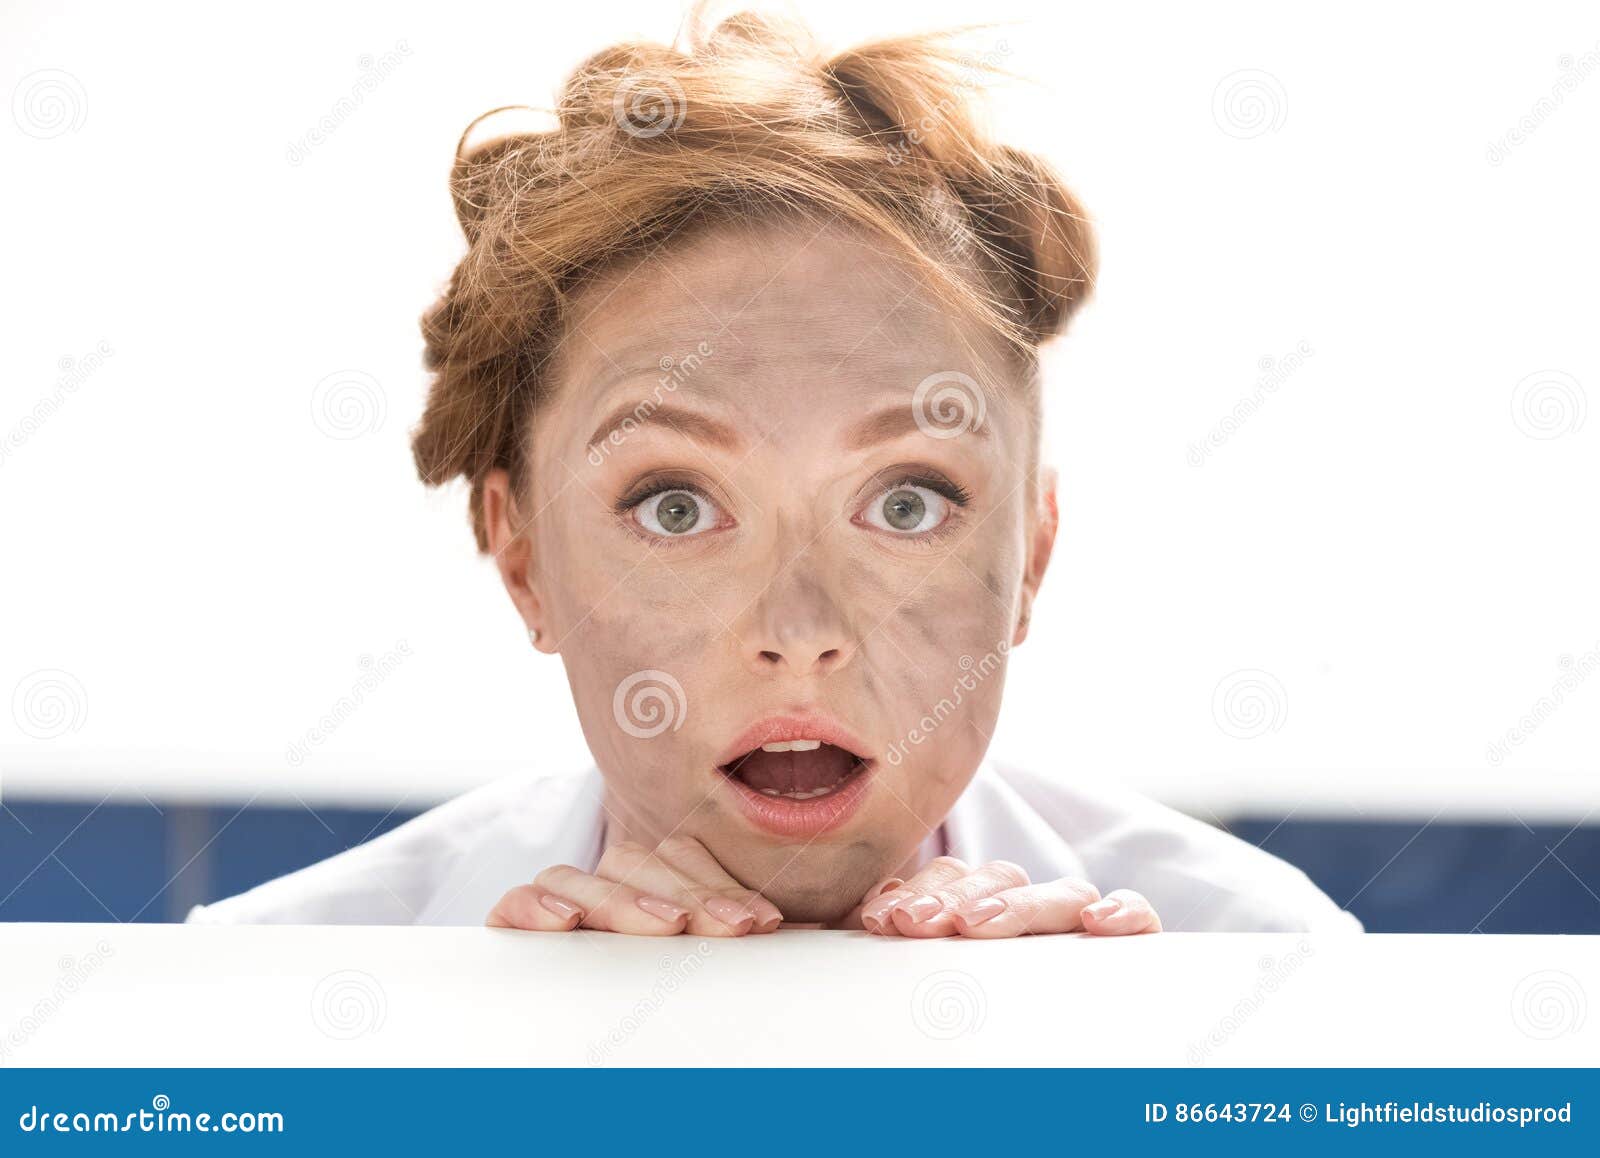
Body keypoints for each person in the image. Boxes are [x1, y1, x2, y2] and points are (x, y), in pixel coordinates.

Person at [189, 9, 1360, 939]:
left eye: (908, 502)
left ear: (1031, 555)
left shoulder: (1265, 981)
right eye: (675, 504)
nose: (799, 633)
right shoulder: (263, 1006)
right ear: (522, 555)